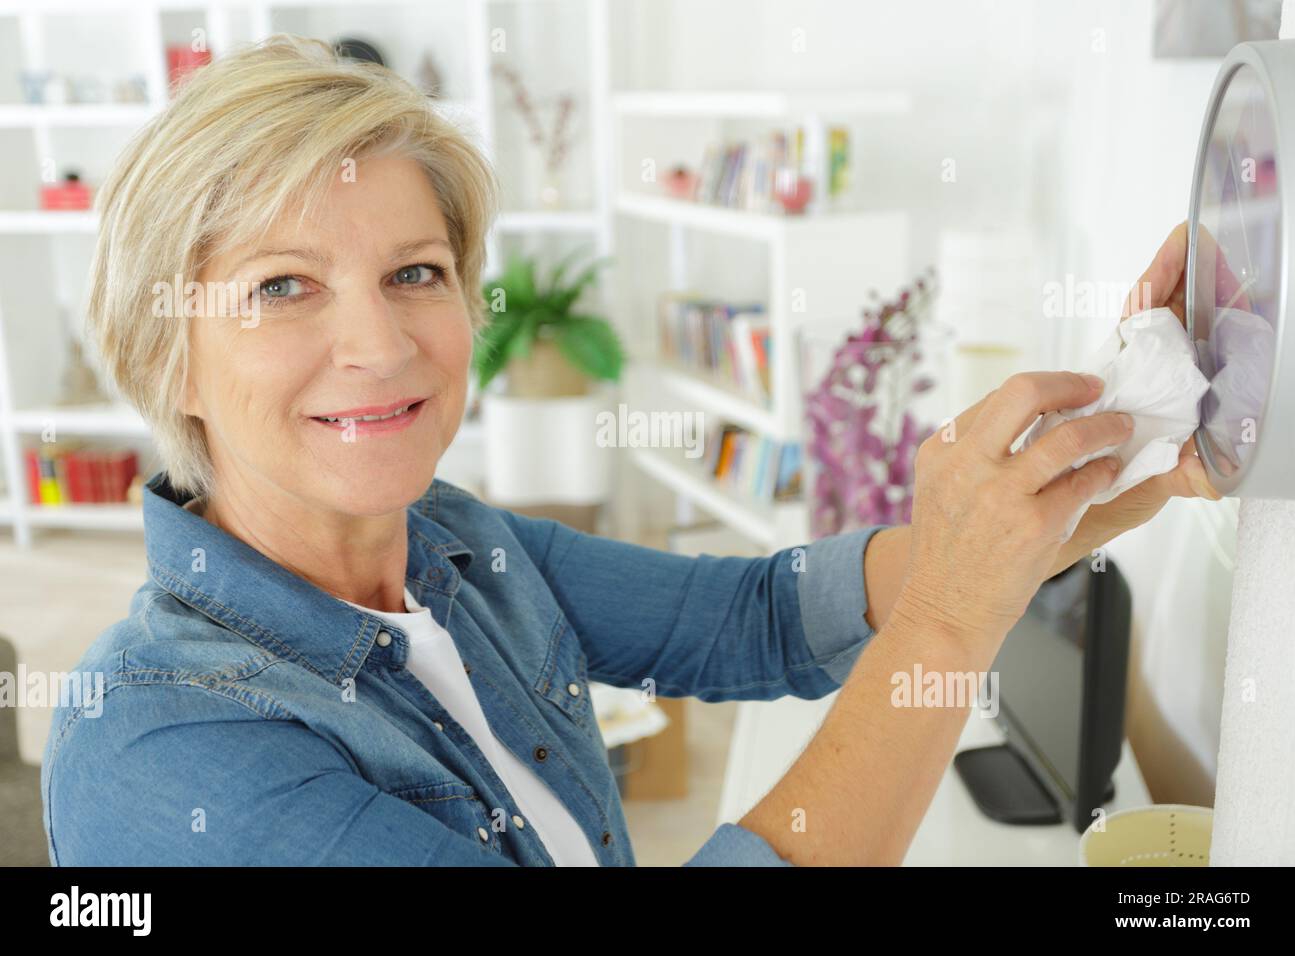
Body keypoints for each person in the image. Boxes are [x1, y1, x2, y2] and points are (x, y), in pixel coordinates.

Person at [40, 35, 1220, 866]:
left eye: (415, 272)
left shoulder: (456, 546)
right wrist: (950, 619)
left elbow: (755, 616)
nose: (381, 341)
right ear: (169, 352)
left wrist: (1069, 491)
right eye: (282, 286)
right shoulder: (154, 739)